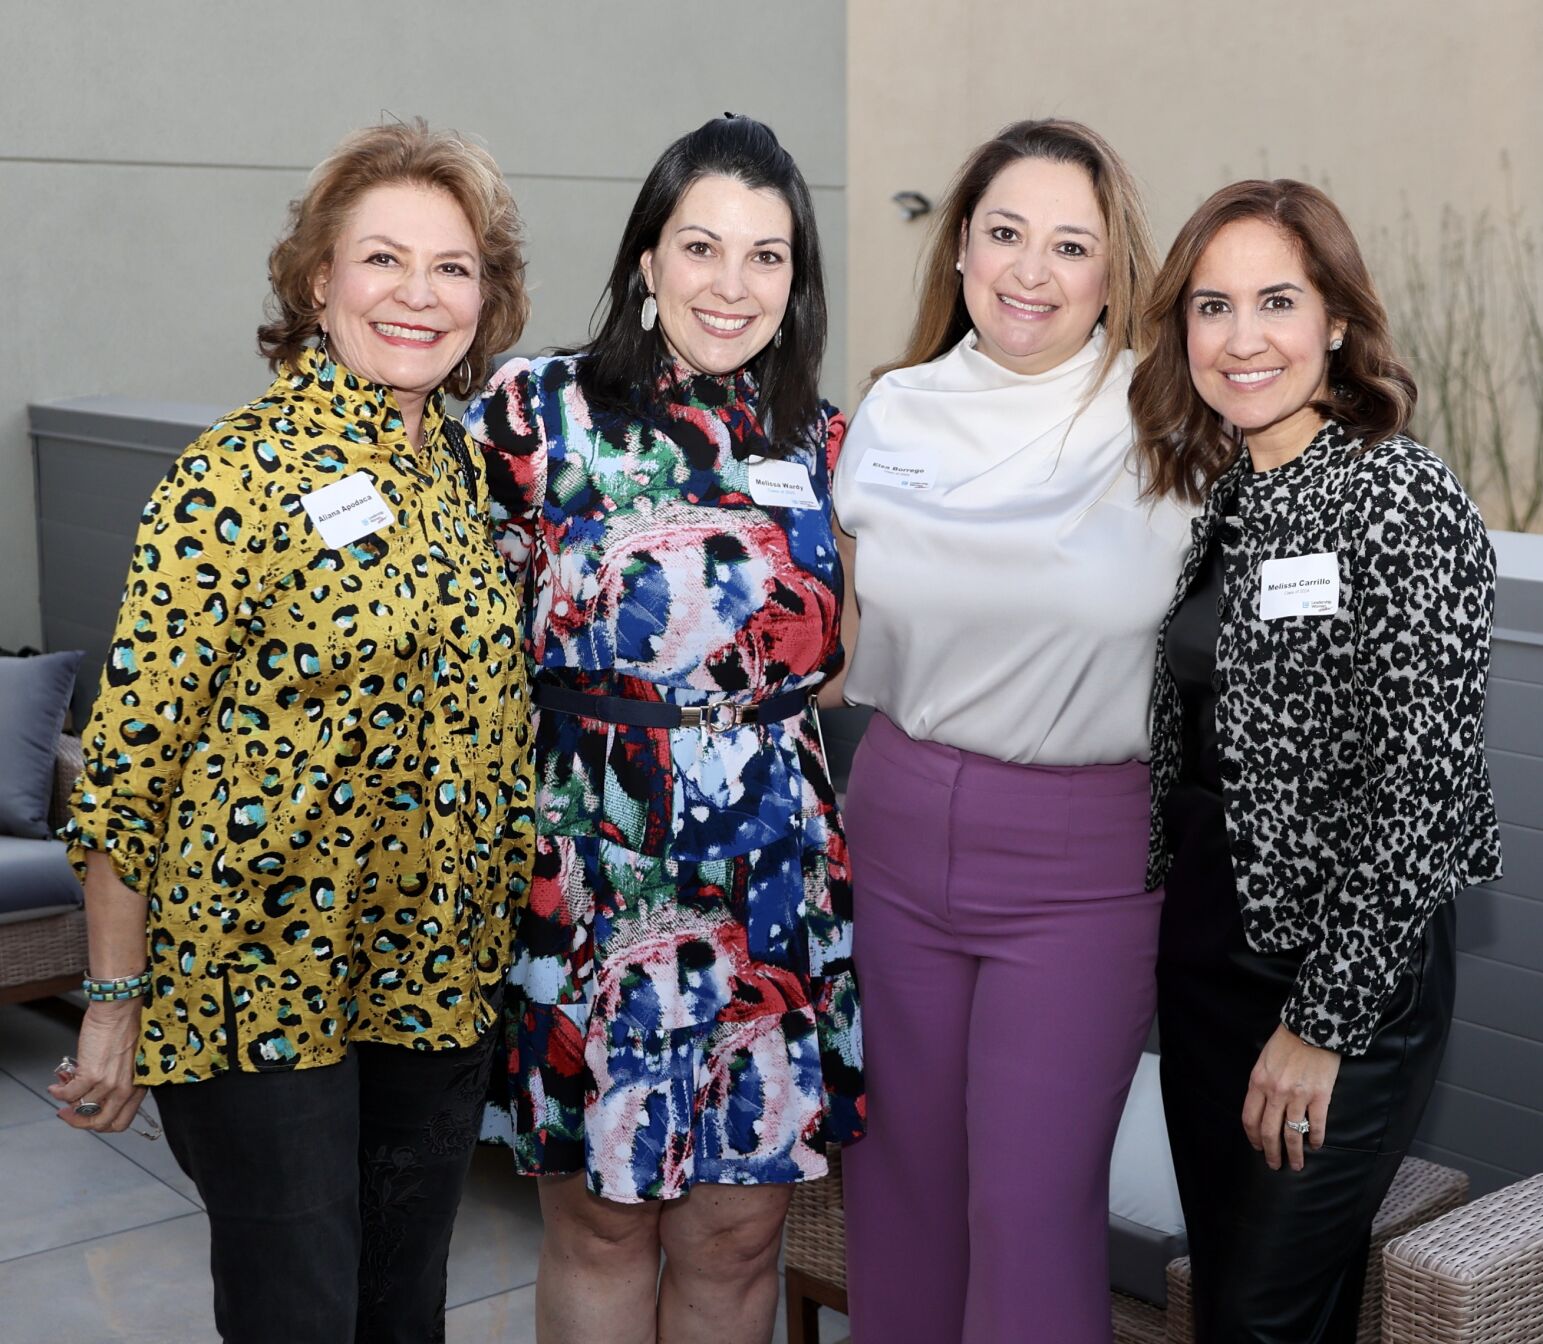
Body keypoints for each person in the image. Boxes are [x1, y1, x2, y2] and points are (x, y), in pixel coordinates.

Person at [48, 120, 537, 1344]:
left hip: (431, 979)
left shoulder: (464, 478)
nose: (418, 296)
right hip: (259, 991)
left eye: (453, 266)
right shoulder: (234, 476)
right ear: (318, 280)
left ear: (489, 294)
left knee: (402, 1313)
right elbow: (127, 771)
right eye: (383, 260)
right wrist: (113, 1003)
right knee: (298, 1320)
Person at [466, 114, 863, 1344]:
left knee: (740, 1233)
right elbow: (457, 646)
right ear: (646, 258)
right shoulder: (531, 417)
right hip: (588, 865)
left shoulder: (828, 438)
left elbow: (839, 664)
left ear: (797, 279)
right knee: (597, 1218)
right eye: (700, 247)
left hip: (771, 878)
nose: (730, 285)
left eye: (767, 255)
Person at [832, 119, 1193, 1344]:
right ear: (961, 250)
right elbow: (831, 631)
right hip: (890, 828)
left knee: (1029, 1211)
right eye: (1003, 233)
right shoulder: (890, 411)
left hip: (1080, 863)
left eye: (1068, 244)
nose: (1029, 271)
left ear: (1112, 270)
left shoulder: (1169, 418)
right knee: (897, 1194)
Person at [1129, 178, 1502, 1342]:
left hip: (1346, 969)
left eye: (1276, 301)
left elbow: (1424, 788)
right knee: (1259, 1298)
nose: (1242, 340)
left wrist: (1325, 1020)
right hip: (1204, 952)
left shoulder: (1401, 494)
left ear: (1334, 320)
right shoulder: (1232, 496)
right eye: (1212, 306)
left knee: (1256, 1315)